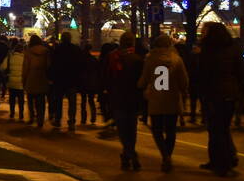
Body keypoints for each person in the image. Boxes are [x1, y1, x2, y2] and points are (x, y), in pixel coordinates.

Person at [196, 22, 242, 177]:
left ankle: (222, 164)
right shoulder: (232, 49)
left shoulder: (208, 51)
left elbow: (202, 74)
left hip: (214, 94)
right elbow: (239, 71)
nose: (202, 34)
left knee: (216, 130)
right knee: (221, 128)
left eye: (204, 32)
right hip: (229, 94)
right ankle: (221, 160)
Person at [138, 34, 188, 172]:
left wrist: (140, 86)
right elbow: (184, 80)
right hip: (172, 98)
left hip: (156, 98)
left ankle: (164, 154)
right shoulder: (176, 59)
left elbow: (144, 79)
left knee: (157, 130)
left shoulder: (150, 59)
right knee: (171, 130)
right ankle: (168, 155)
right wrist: (183, 91)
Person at [107, 33, 144, 169]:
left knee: (122, 129)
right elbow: (141, 80)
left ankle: (128, 154)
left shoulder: (113, 57)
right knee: (131, 129)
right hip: (133, 98)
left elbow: (107, 77)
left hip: (118, 97)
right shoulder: (138, 59)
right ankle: (129, 154)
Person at [47, 32, 82, 131]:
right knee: (72, 102)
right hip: (72, 80)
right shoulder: (75, 49)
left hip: (60, 80)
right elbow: (80, 65)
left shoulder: (58, 49)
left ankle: (58, 119)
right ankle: (71, 121)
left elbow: (53, 65)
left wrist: (52, 78)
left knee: (58, 101)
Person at [21, 34, 51, 129]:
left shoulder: (28, 52)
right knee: (41, 101)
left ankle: (31, 117)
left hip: (31, 78)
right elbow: (48, 66)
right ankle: (40, 120)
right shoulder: (46, 52)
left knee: (30, 100)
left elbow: (25, 67)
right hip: (42, 78)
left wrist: (23, 80)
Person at [78, 42, 101, 125]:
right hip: (91, 82)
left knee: (83, 101)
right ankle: (93, 117)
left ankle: (83, 118)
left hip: (83, 82)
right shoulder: (93, 59)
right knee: (91, 100)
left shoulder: (81, 59)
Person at [5, 37, 26, 120]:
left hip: (11, 81)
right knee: (21, 99)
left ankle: (12, 113)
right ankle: (21, 114)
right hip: (21, 82)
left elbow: (2, 67)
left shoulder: (10, 57)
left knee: (12, 99)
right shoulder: (24, 58)